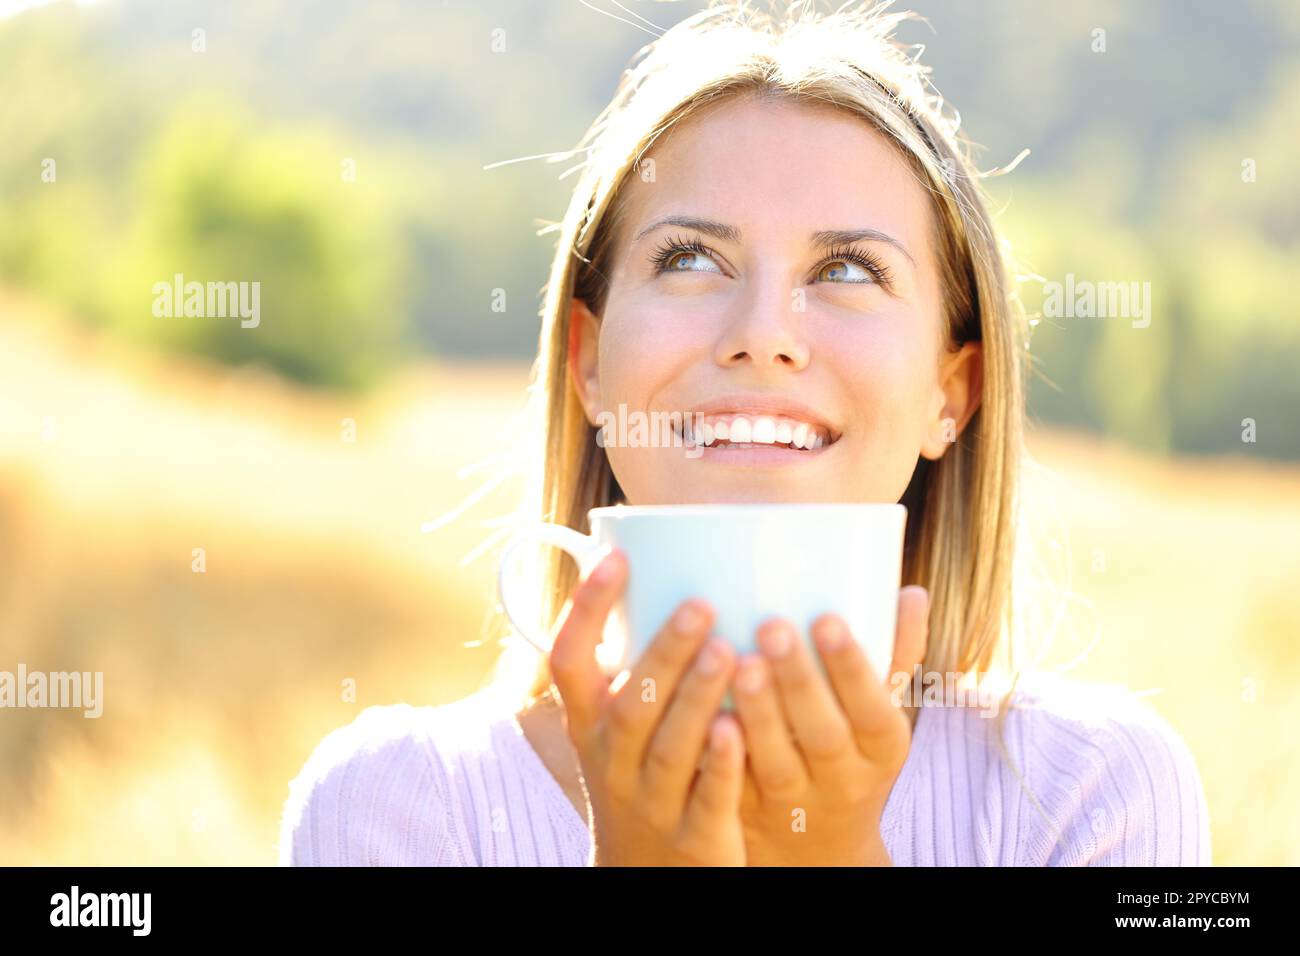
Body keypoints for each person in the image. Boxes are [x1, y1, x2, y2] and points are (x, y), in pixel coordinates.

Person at [279, 0, 1211, 866]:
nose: (764, 333)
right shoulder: (391, 806)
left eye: (848, 270)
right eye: (690, 259)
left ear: (951, 392)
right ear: (590, 362)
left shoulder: (1091, 792)